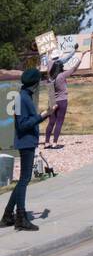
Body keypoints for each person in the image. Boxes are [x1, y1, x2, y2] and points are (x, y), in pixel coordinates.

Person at [1, 68, 48, 231]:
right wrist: (41, 116)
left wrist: (46, 114)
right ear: (34, 83)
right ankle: (20, 218)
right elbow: (22, 125)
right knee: (24, 180)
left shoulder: (25, 96)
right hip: (25, 143)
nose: (39, 84)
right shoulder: (22, 99)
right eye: (38, 81)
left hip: (27, 142)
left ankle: (8, 216)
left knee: (23, 180)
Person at [43, 55, 79, 149]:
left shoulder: (49, 78)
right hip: (62, 100)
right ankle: (54, 143)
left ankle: (47, 142)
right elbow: (74, 68)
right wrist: (81, 57)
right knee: (59, 121)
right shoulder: (62, 76)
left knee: (51, 122)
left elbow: (50, 91)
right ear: (60, 68)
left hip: (52, 100)